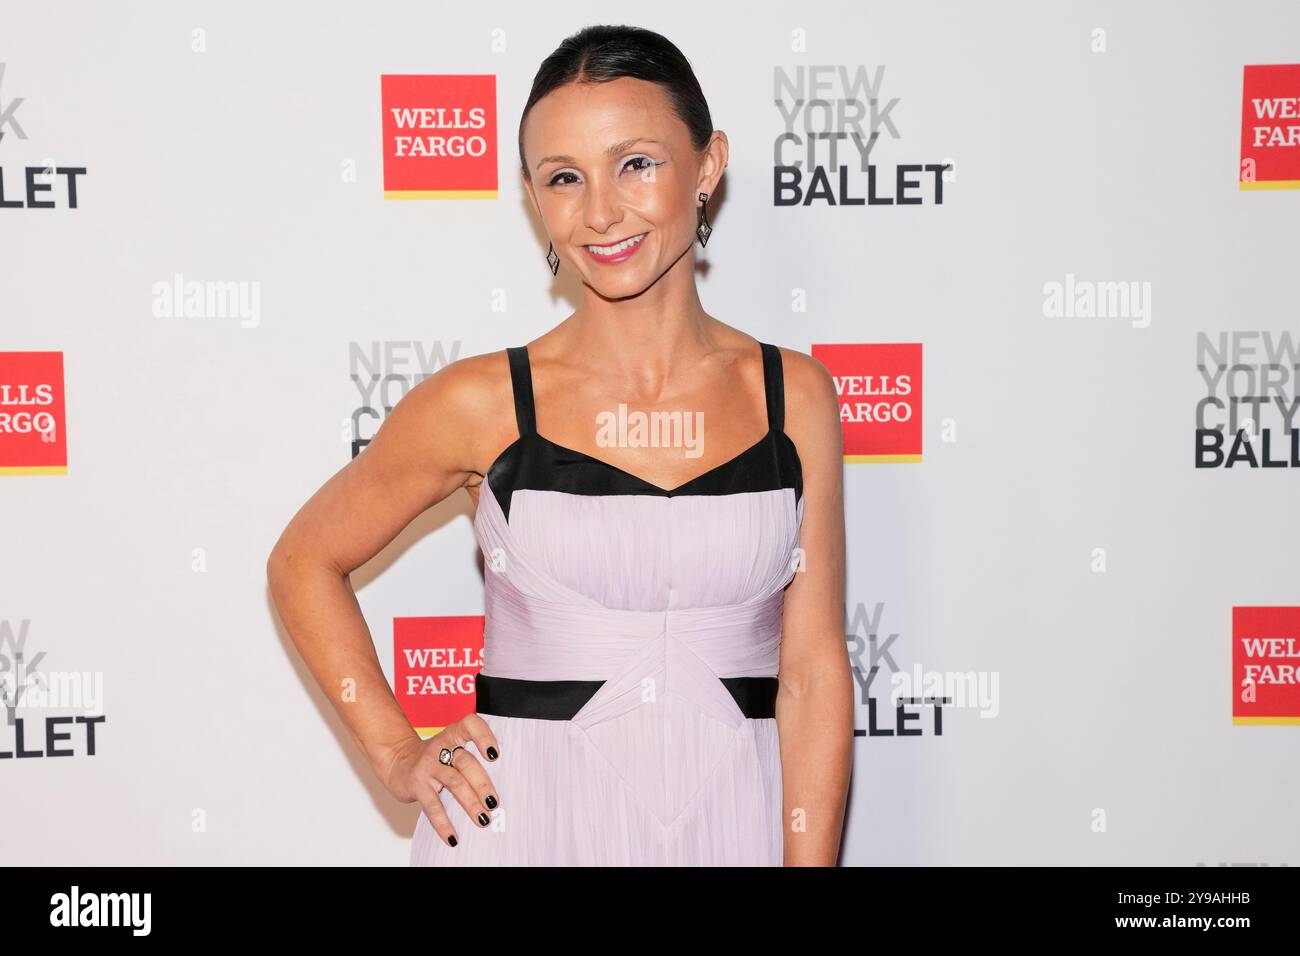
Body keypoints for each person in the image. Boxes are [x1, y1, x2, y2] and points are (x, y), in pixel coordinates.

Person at [267, 23, 851, 866]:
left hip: (736, 822)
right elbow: (303, 562)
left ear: (708, 166)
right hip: (525, 829)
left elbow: (812, 672)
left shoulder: (793, 397)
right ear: (534, 197)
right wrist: (398, 754)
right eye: (564, 178)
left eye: (637, 164)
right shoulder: (481, 403)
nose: (602, 210)